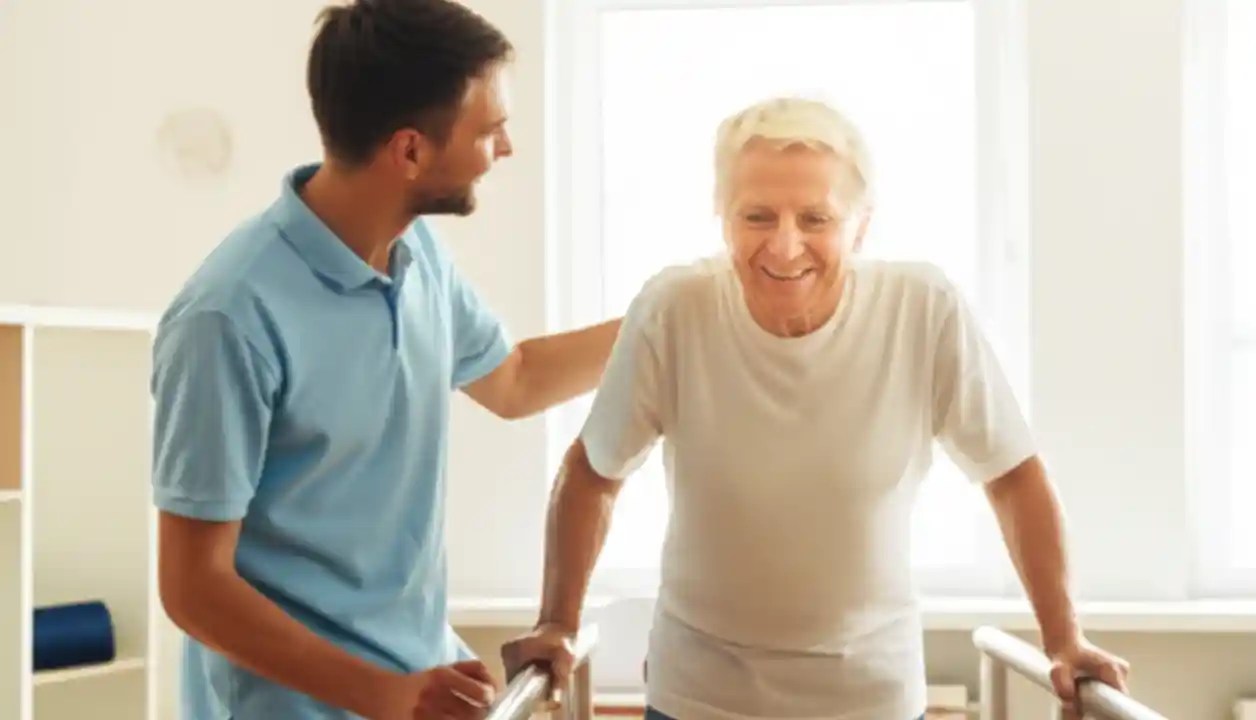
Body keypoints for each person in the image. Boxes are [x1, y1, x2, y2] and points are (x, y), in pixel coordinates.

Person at [501, 97, 1130, 720]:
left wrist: (1063, 640)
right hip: (699, 697)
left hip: (869, 698)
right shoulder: (675, 309)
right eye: (756, 216)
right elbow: (592, 473)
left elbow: (1013, 476)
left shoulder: (921, 307)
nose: (784, 245)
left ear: (861, 225)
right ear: (721, 218)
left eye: (815, 219)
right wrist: (558, 621)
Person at [149, 1, 619, 718]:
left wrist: (666, 319)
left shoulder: (417, 253)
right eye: (491, 129)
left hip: (407, 683)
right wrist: (386, 694)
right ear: (409, 152)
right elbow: (193, 588)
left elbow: (513, 380)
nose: (508, 148)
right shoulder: (228, 316)